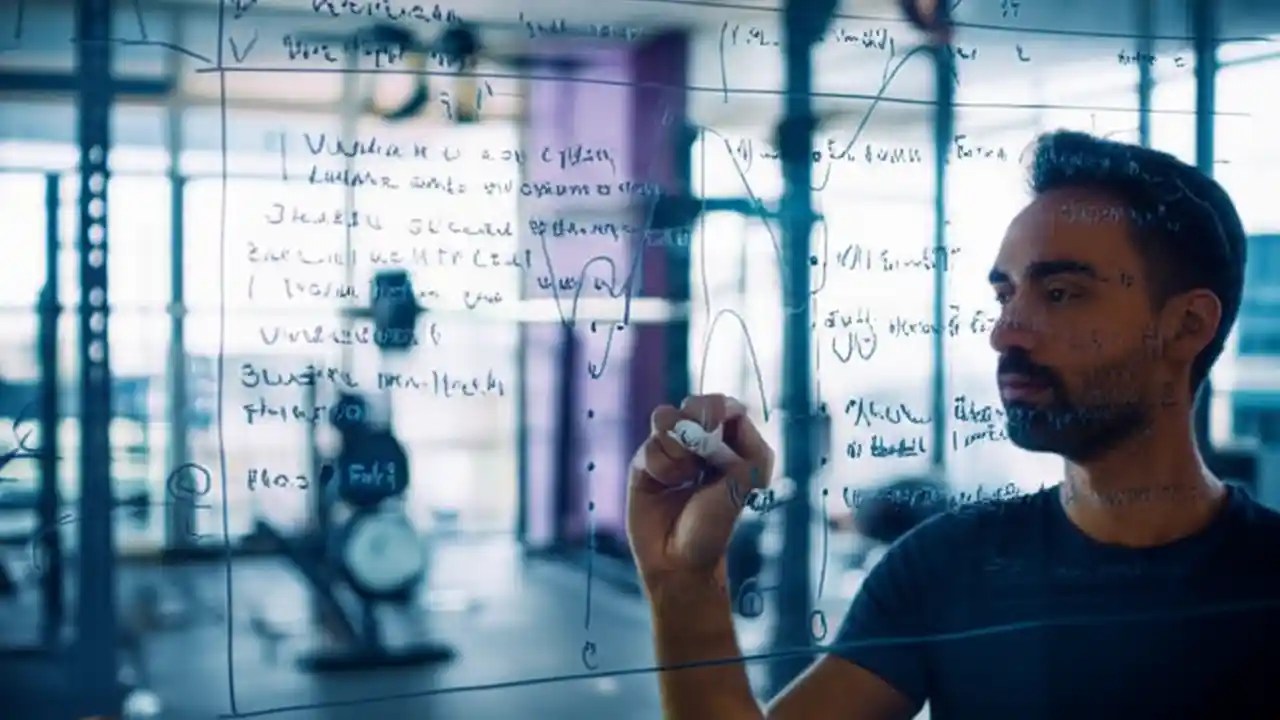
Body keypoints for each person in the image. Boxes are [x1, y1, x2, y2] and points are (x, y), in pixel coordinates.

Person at [626, 130, 1280, 719]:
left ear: (1186, 325)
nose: (1005, 331)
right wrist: (683, 580)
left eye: (1060, 293)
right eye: (1005, 294)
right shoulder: (947, 568)